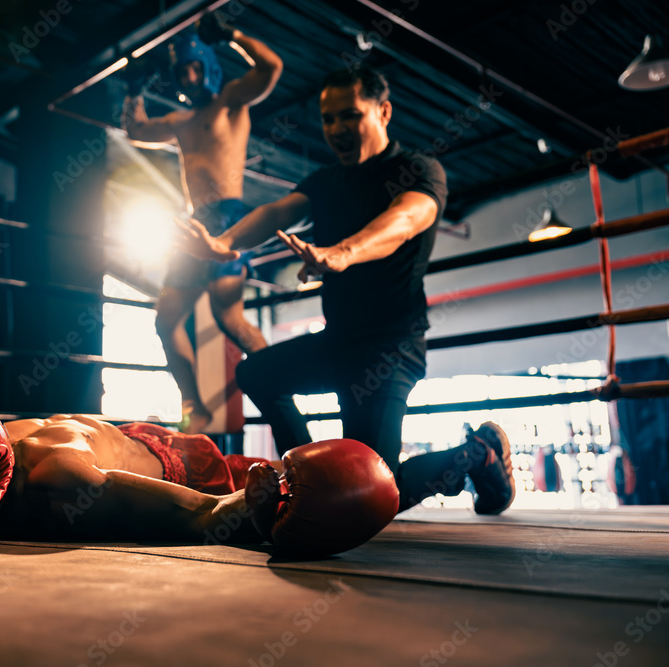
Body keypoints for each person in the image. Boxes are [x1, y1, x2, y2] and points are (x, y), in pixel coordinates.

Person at [177, 64, 515, 514]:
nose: (337, 128)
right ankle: (300, 479)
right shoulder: (325, 182)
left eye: (350, 115)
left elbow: (402, 222)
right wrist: (223, 243)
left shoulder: (417, 169)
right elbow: (276, 213)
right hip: (338, 345)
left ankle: (477, 455)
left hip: (389, 350)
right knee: (257, 373)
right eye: (328, 118)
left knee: (371, 493)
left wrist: (344, 252)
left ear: (383, 112)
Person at [0, 384, 400, 555]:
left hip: (141, 435)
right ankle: (465, 462)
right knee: (377, 482)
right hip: (184, 466)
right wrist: (256, 504)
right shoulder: (60, 477)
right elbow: (206, 516)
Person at [121, 13, 283, 433]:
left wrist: (233, 35)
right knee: (165, 319)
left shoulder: (231, 101)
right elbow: (136, 129)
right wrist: (133, 88)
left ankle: (278, 389)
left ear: (208, 65)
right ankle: (195, 407)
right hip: (194, 225)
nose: (189, 78)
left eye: (194, 67)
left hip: (229, 216)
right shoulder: (181, 121)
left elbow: (272, 68)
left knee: (230, 318)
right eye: (182, 72)